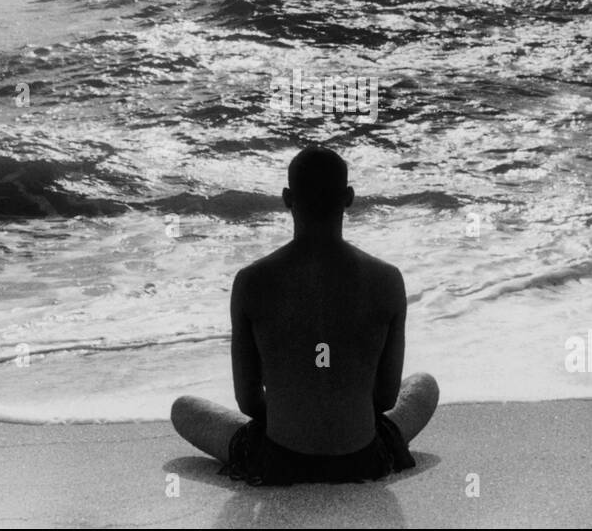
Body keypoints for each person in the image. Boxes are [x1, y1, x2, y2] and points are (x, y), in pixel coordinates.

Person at [171, 145, 438, 486]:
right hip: (364, 459)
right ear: (349, 198)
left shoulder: (252, 281)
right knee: (424, 386)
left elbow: (249, 401)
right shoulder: (386, 279)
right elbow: (386, 399)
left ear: (286, 198)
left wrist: (294, 414)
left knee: (184, 409)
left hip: (278, 461)